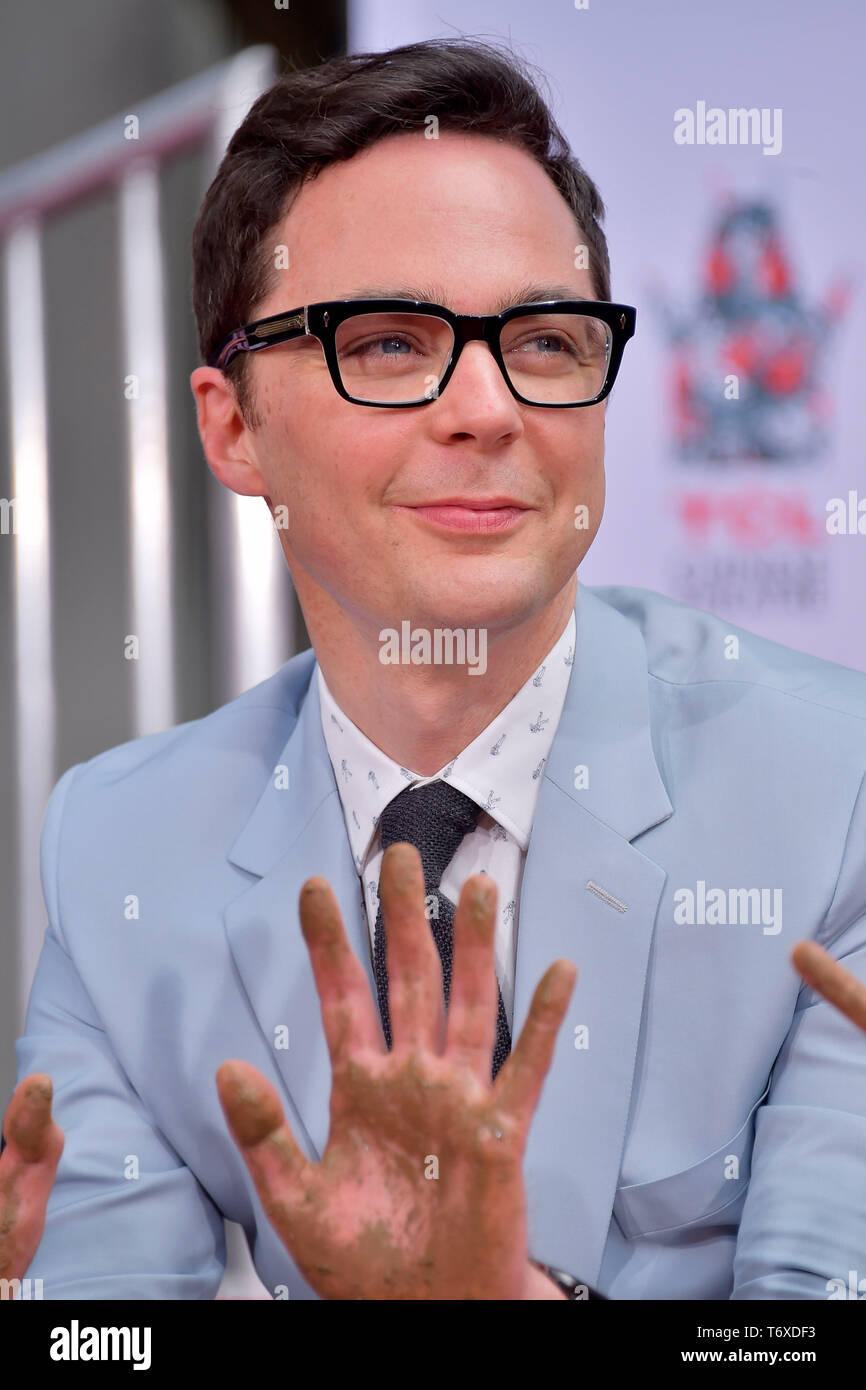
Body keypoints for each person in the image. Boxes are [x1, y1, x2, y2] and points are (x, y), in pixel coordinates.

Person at [5, 36, 866, 1301]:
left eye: (547, 342)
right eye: (394, 343)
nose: (487, 409)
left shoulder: (833, 788)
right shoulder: (121, 847)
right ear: (231, 426)